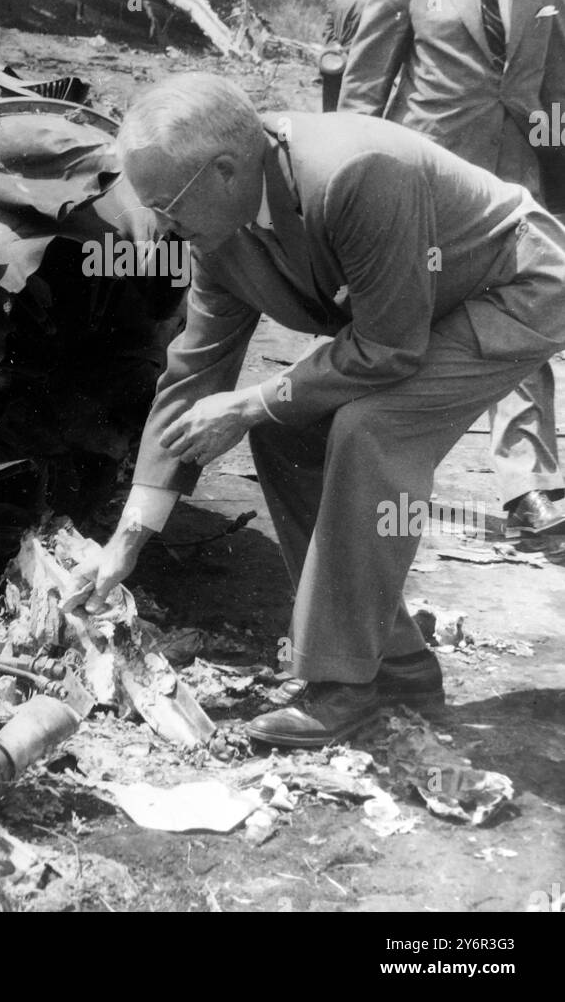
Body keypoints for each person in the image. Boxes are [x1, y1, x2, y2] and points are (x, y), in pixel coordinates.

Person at [65, 74, 565, 749]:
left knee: (370, 428)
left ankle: (343, 691)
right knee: (286, 429)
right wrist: (125, 541)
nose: (158, 226)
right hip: (422, 306)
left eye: (165, 204)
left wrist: (250, 400)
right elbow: (191, 376)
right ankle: (396, 664)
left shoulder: (357, 174)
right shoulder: (219, 227)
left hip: (512, 287)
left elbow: (388, 349)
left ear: (225, 170)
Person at [339, 0, 565, 545]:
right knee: (401, 315)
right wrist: (350, 163)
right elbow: (367, 75)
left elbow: (555, 71)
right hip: (427, 171)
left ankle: (530, 486)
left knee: (522, 312)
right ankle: (358, 470)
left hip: (515, 168)